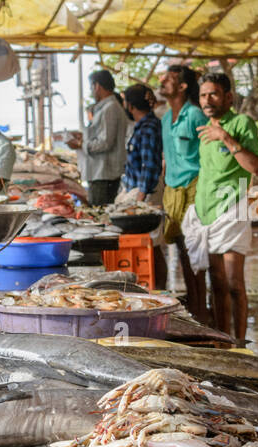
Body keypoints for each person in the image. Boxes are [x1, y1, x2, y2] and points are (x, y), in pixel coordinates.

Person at [181, 72, 258, 342]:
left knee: (233, 285)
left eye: (213, 93)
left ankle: (239, 345)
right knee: (216, 283)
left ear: (228, 96)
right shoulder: (205, 128)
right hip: (206, 213)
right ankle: (222, 341)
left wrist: (226, 138)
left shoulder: (242, 123)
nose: (207, 100)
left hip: (232, 210)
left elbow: (255, 167)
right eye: (203, 94)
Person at [158, 64, 208, 319]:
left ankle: (201, 312)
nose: (163, 81)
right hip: (172, 189)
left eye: (169, 78)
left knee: (193, 252)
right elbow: (167, 158)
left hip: (194, 187)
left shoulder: (196, 116)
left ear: (183, 86)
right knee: (180, 248)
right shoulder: (166, 119)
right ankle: (196, 307)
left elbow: (208, 155)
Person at [119, 83, 163, 285]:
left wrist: (140, 198)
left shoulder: (148, 128)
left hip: (146, 193)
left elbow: (150, 165)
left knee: (151, 244)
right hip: (138, 191)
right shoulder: (143, 125)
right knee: (149, 244)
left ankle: (159, 287)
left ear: (130, 105)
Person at [69, 69, 128, 207]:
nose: (91, 91)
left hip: (104, 174)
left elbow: (105, 142)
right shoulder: (105, 108)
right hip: (100, 173)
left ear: (97, 86)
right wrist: (83, 136)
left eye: (91, 87)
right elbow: (100, 135)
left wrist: (81, 144)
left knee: (99, 214)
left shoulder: (110, 108)